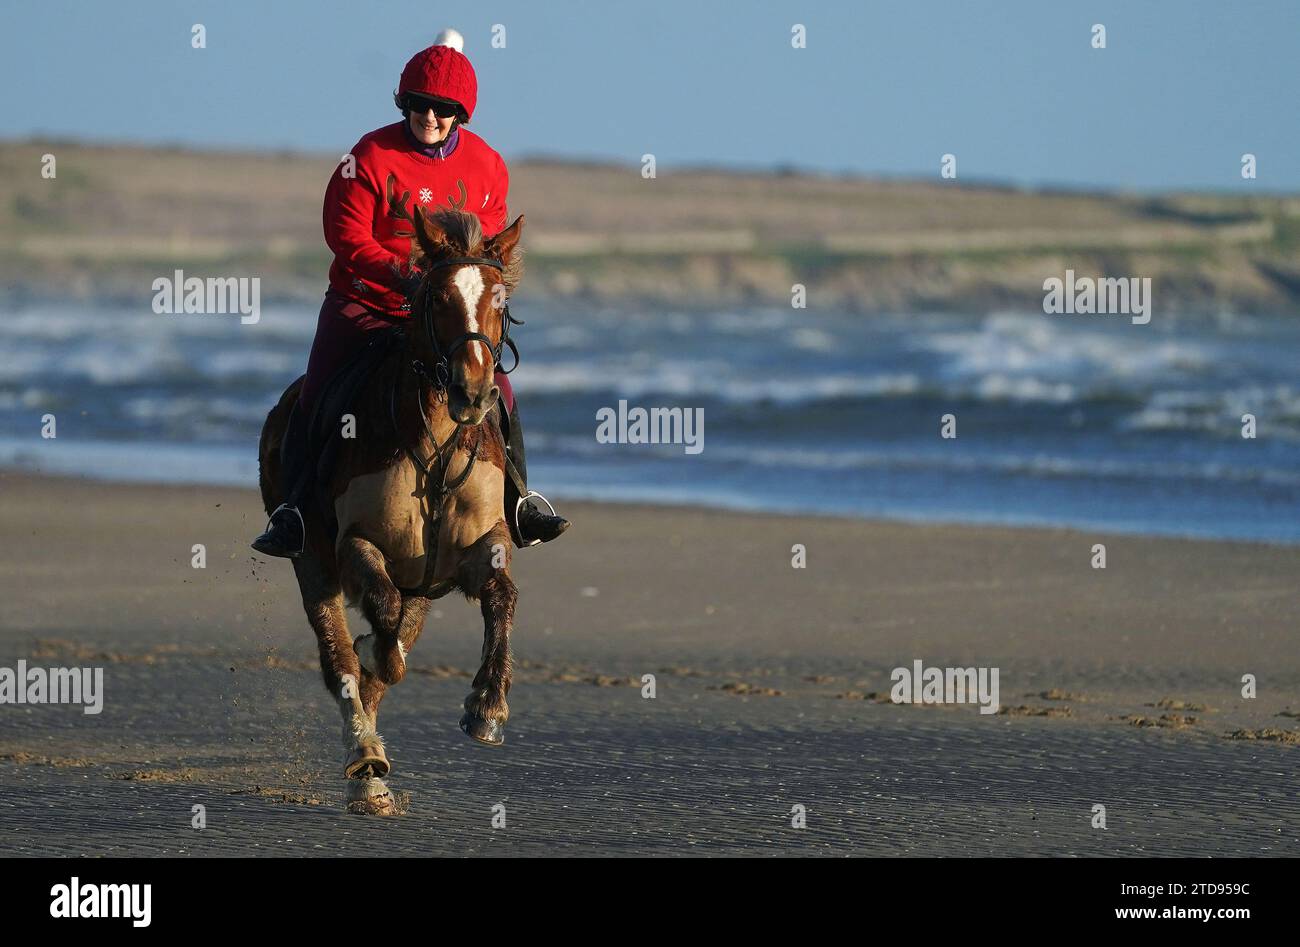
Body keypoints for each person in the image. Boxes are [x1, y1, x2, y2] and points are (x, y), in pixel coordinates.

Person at [253, 29, 570, 558]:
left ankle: (519, 501)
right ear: (405, 103)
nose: (430, 118)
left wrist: (453, 289)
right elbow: (346, 233)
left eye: (443, 110)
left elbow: (486, 246)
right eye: (420, 106)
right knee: (318, 393)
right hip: (367, 303)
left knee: (500, 393)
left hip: (443, 314)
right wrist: (405, 275)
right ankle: (297, 513)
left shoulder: (489, 165)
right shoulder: (369, 155)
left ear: (460, 115)